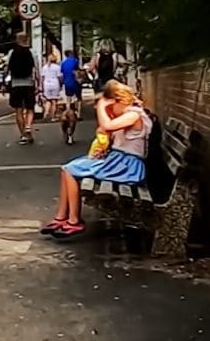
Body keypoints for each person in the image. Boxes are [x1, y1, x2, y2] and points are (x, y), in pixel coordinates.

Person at [41, 80, 149, 239]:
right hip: (118, 161)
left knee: (70, 170)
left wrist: (102, 107)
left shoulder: (134, 115)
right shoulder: (127, 115)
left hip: (127, 166)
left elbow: (107, 126)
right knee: (66, 169)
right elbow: (107, 133)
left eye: (111, 107)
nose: (110, 112)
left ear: (118, 101)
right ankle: (61, 216)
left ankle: (74, 220)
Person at [6, 33, 37, 142]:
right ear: (27, 40)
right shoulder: (32, 52)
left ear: (17, 40)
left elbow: (7, 68)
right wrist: (39, 83)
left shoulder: (12, 52)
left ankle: (23, 135)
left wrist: (4, 82)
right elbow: (36, 69)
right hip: (29, 84)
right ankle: (28, 127)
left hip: (15, 85)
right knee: (30, 108)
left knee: (18, 110)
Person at [39, 51, 62, 122]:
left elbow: (42, 77)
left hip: (46, 84)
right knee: (54, 101)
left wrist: (41, 86)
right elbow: (59, 77)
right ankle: (53, 117)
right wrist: (61, 85)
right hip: (55, 84)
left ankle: (46, 113)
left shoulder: (44, 67)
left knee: (48, 100)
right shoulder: (57, 67)